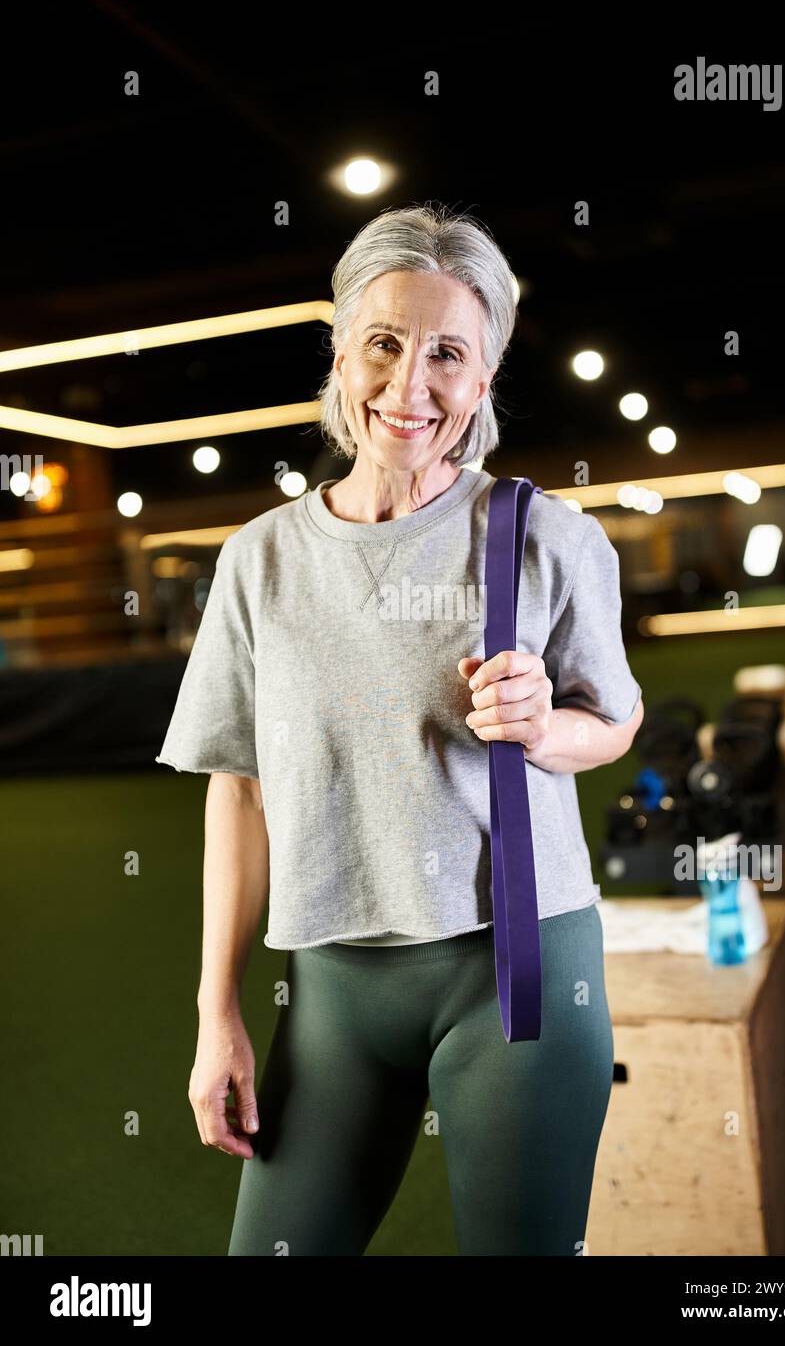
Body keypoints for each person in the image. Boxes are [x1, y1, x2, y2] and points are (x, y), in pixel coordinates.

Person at [155, 202, 644, 1256]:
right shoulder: (259, 560)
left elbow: (612, 722)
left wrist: (541, 728)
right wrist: (216, 1013)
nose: (408, 384)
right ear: (339, 352)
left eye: (447, 355)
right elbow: (236, 789)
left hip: (515, 973)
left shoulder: (541, 535)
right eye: (382, 342)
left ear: (482, 380)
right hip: (331, 988)